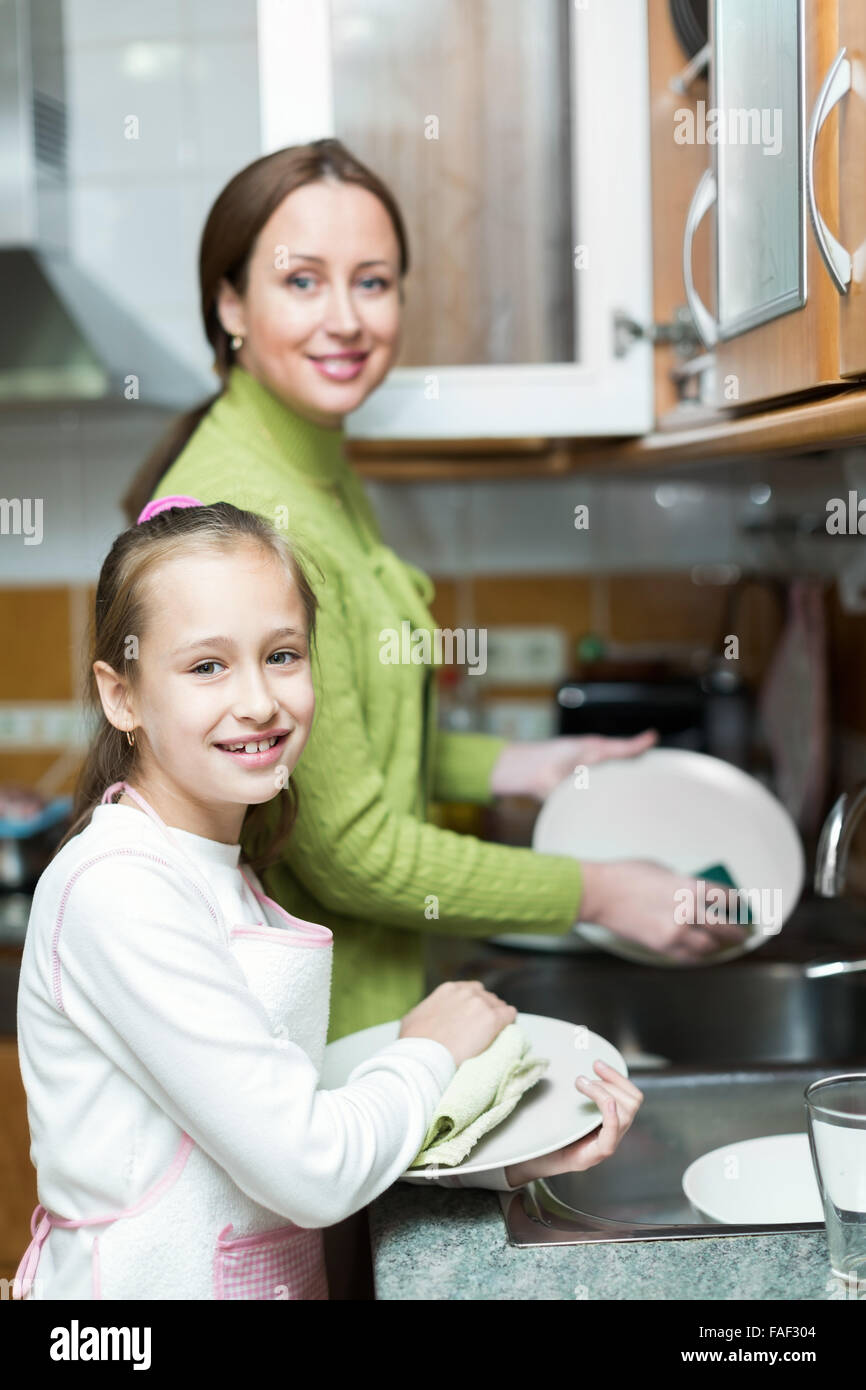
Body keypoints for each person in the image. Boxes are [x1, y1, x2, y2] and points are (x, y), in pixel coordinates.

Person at [122, 139, 748, 1053]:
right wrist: (601, 889)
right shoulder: (249, 513)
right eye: (302, 281)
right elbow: (354, 855)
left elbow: (341, 737)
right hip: (303, 1055)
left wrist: (511, 766)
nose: (345, 319)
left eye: (372, 282)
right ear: (230, 304)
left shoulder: (314, 461)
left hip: (358, 1028)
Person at [13, 498, 643, 1301]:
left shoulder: (216, 863)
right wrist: (430, 1047)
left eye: (282, 654)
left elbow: (280, 1129)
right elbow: (310, 1168)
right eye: (207, 666)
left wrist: (502, 1162)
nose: (259, 701)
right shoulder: (120, 890)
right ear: (121, 696)